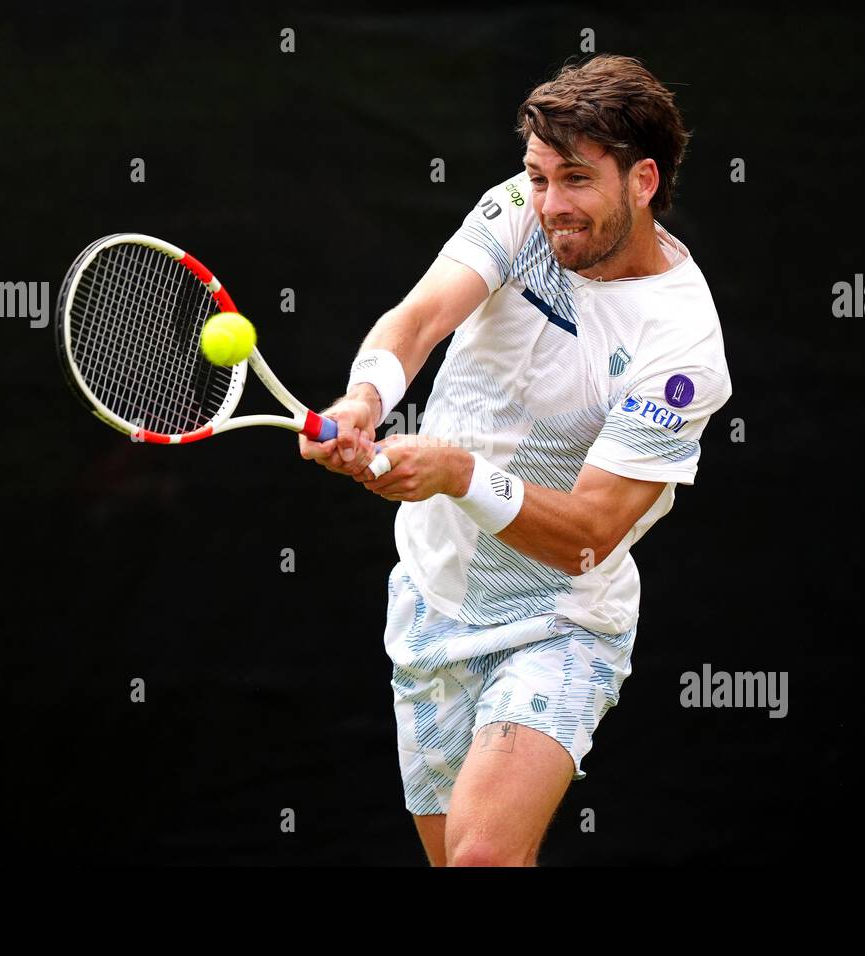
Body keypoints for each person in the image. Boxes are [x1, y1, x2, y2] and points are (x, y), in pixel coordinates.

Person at [299, 53, 732, 866]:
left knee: (483, 860)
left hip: (560, 621)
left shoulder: (681, 346)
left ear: (643, 181)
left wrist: (458, 475)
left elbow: (592, 533)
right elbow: (421, 318)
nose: (551, 206)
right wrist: (364, 399)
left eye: (575, 180)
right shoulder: (518, 213)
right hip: (430, 602)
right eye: (538, 177)